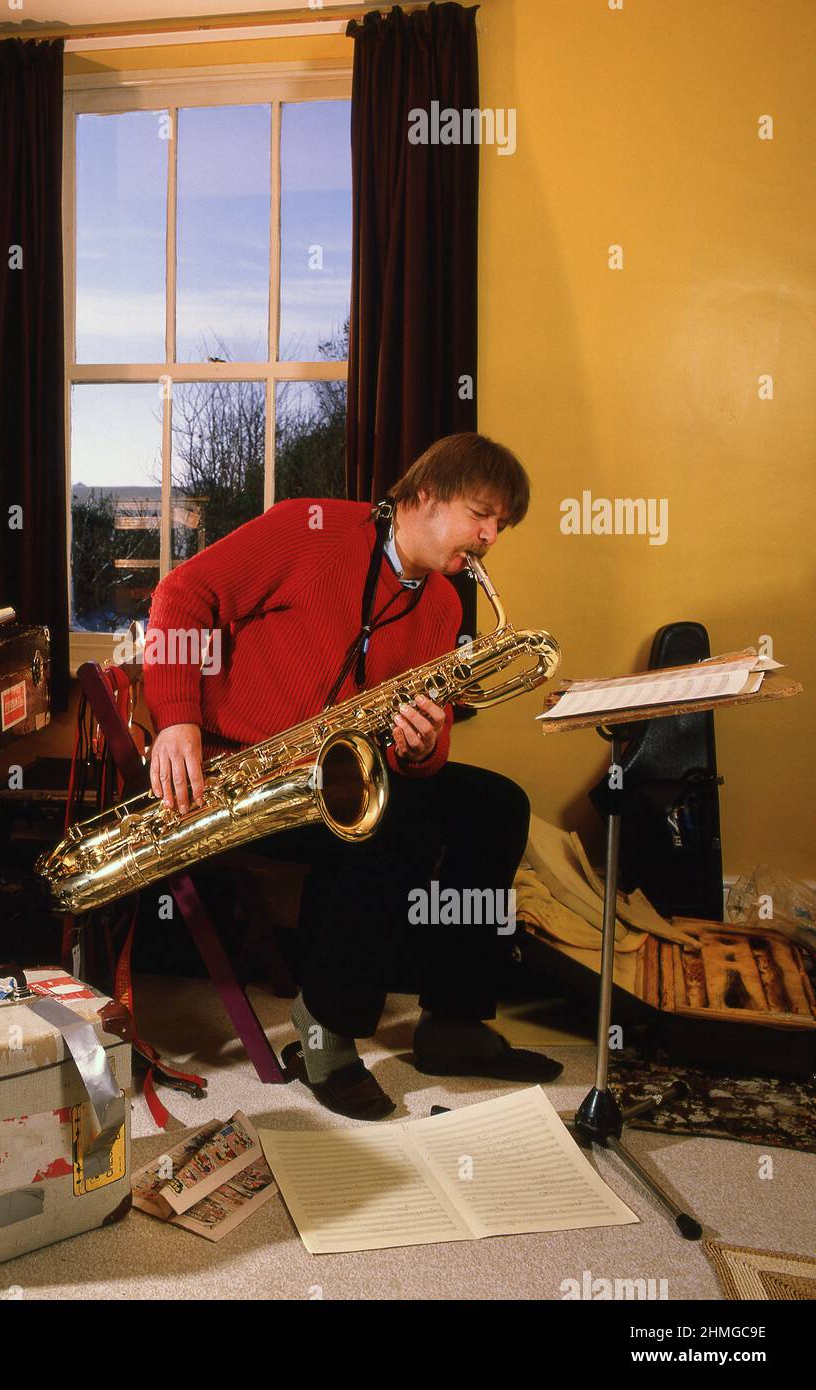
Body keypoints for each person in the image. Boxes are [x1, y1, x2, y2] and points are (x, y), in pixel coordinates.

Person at [141, 432, 562, 1121]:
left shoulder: (443, 604)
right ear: (425, 495)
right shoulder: (307, 530)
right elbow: (183, 594)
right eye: (480, 515)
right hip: (239, 775)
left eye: (501, 525)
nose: (490, 537)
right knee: (397, 824)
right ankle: (324, 1030)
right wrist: (176, 717)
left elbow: (425, 756)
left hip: (337, 778)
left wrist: (422, 747)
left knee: (496, 805)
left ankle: (453, 1021)